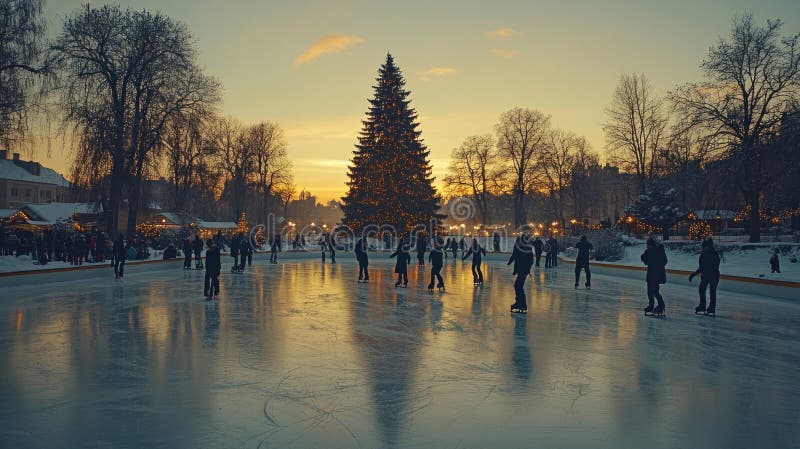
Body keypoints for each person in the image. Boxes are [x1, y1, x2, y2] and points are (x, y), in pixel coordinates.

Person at [689, 237, 721, 315]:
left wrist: (693, 275)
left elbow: (702, 267)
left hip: (709, 276)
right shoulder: (714, 254)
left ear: (707, 247)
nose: (702, 249)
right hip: (712, 275)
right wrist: (694, 274)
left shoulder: (706, 254)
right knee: (709, 291)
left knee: (704, 290)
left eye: (703, 247)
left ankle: (705, 307)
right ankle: (710, 308)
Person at [641, 236, 668, 316]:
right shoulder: (652, 251)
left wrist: (652, 262)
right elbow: (643, 258)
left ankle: (657, 305)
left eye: (648, 245)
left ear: (651, 245)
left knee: (652, 291)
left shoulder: (656, 251)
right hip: (654, 274)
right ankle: (656, 305)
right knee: (653, 291)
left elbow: (663, 261)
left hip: (655, 274)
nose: (647, 246)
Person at [508, 235, 534, 313]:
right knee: (518, 286)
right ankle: (520, 303)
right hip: (524, 270)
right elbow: (531, 259)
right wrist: (528, 268)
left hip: (522, 269)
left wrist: (510, 261)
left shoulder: (519, 246)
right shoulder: (527, 247)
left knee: (518, 286)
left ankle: (521, 304)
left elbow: (514, 255)